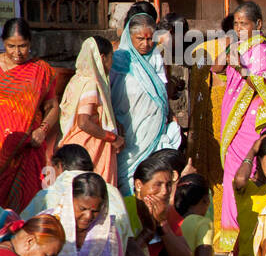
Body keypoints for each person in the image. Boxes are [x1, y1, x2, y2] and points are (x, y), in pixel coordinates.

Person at [212, 3, 266, 252]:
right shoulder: (237, 45)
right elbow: (216, 68)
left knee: (246, 174)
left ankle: (246, 230)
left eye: (244, 24)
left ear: (258, 25)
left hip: (251, 120)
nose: (239, 28)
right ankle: (230, 234)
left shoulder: (261, 50)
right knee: (231, 173)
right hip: (235, 122)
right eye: (236, 24)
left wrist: (239, 65)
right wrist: (228, 46)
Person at [110, 14, 181, 193]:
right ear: (129, 36)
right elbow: (107, 94)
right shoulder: (119, 60)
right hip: (128, 127)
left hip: (152, 129)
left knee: (152, 175)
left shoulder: (155, 57)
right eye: (140, 39)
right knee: (126, 178)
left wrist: (168, 113)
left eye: (150, 39)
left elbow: (161, 92)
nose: (146, 44)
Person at [0, 18, 59, 209]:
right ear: (3, 43)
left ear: (30, 43)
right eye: (11, 46)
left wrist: (43, 129)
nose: (17, 53)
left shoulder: (40, 70)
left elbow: (53, 107)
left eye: (22, 46)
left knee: (26, 204)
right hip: (2, 147)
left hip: (29, 147)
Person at [58, 36, 121, 187]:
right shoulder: (91, 83)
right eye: (111, 57)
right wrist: (112, 138)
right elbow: (83, 122)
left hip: (75, 146)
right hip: (89, 148)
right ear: (102, 58)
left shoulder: (76, 80)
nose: (112, 63)